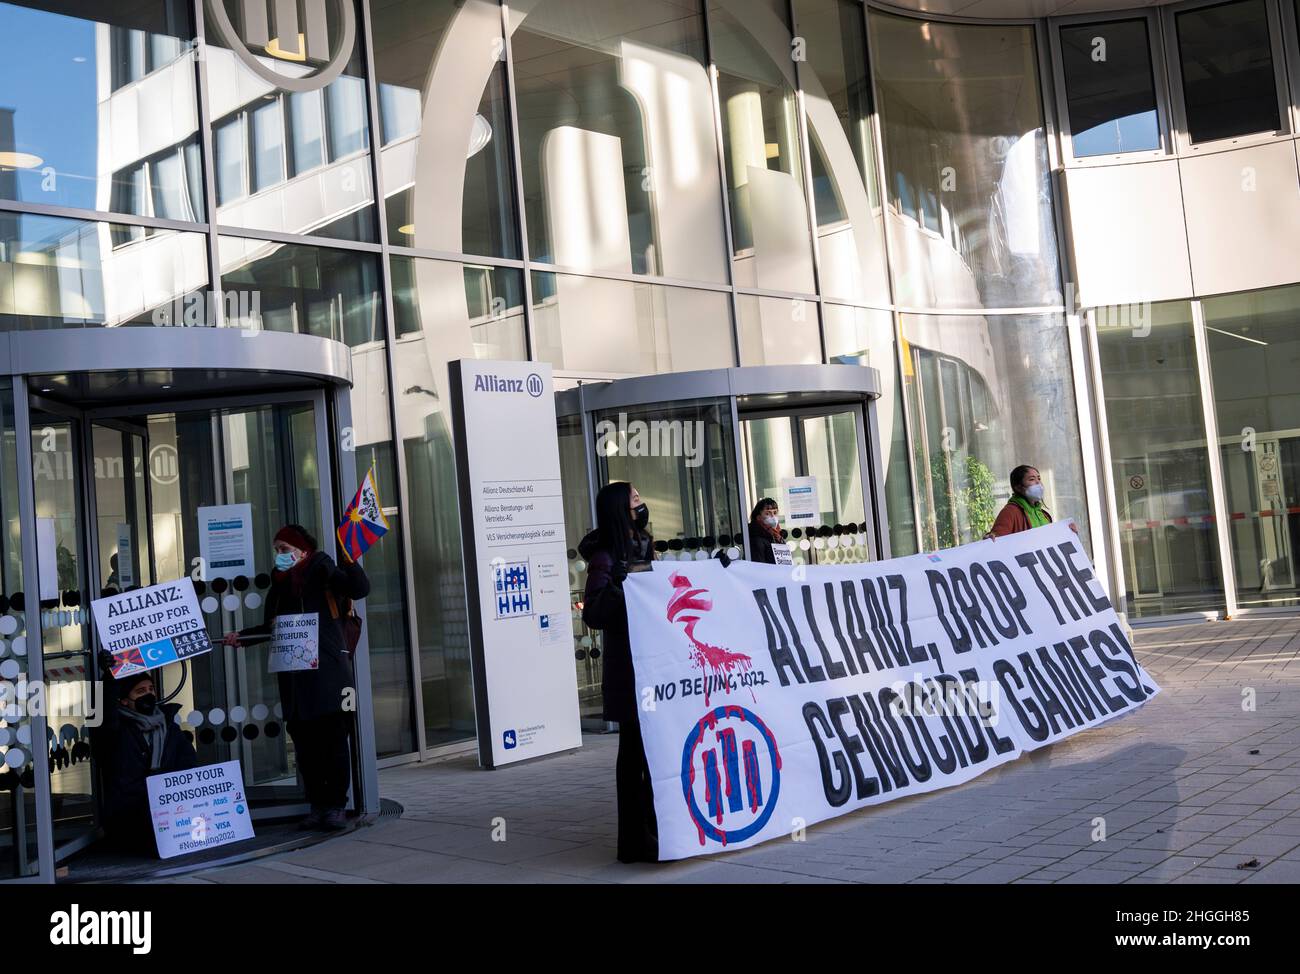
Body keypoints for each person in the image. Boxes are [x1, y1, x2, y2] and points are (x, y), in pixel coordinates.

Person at [223, 524, 369, 831]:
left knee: (333, 743)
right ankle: (318, 805)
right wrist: (242, 637)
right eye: (277, 550)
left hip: (329, 675)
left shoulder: (323, 568)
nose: (279, 555)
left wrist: (349, 561)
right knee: (306, 749)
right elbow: (271, 627)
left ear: (303, 551)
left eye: (285, 550)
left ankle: (335, 806)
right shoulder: (279, 586)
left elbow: (359, 589)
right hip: (295, 680)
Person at [578, 482, 657, 863]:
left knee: (654, 755)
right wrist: (623, 587)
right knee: (633, 755)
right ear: (618, 509)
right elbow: (593, 611)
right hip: (627, 668)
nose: (642, 506)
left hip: (653, 663)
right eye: (636, 501)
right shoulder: (605, 556)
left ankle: (655, 830)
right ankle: (634, 842)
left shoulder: (644, 543)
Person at [92, 667, 197, 854]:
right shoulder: (116, 731)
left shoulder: (169, 726)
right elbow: (104, 714)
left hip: (171, 811)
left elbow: (188, 762)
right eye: (140, 692)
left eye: (151, 689)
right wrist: (108, 680)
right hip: (132, 816)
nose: (148, 695)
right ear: (124, 700)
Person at [987, 465, 1072, 538]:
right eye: (1032, 479)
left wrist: (1068, 532)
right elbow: (997, 540)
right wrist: (991, 538)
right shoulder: (1010, 512)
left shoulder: (1044, 515)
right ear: (1018, 487)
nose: (1038, 482)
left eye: (1039, 478)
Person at [747, 497, 782, 564]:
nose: (773, 516)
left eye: (775, 513)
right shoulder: (756, 539)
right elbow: (759, 566)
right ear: (758, 517)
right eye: (767, 514)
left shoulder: (777, 535)